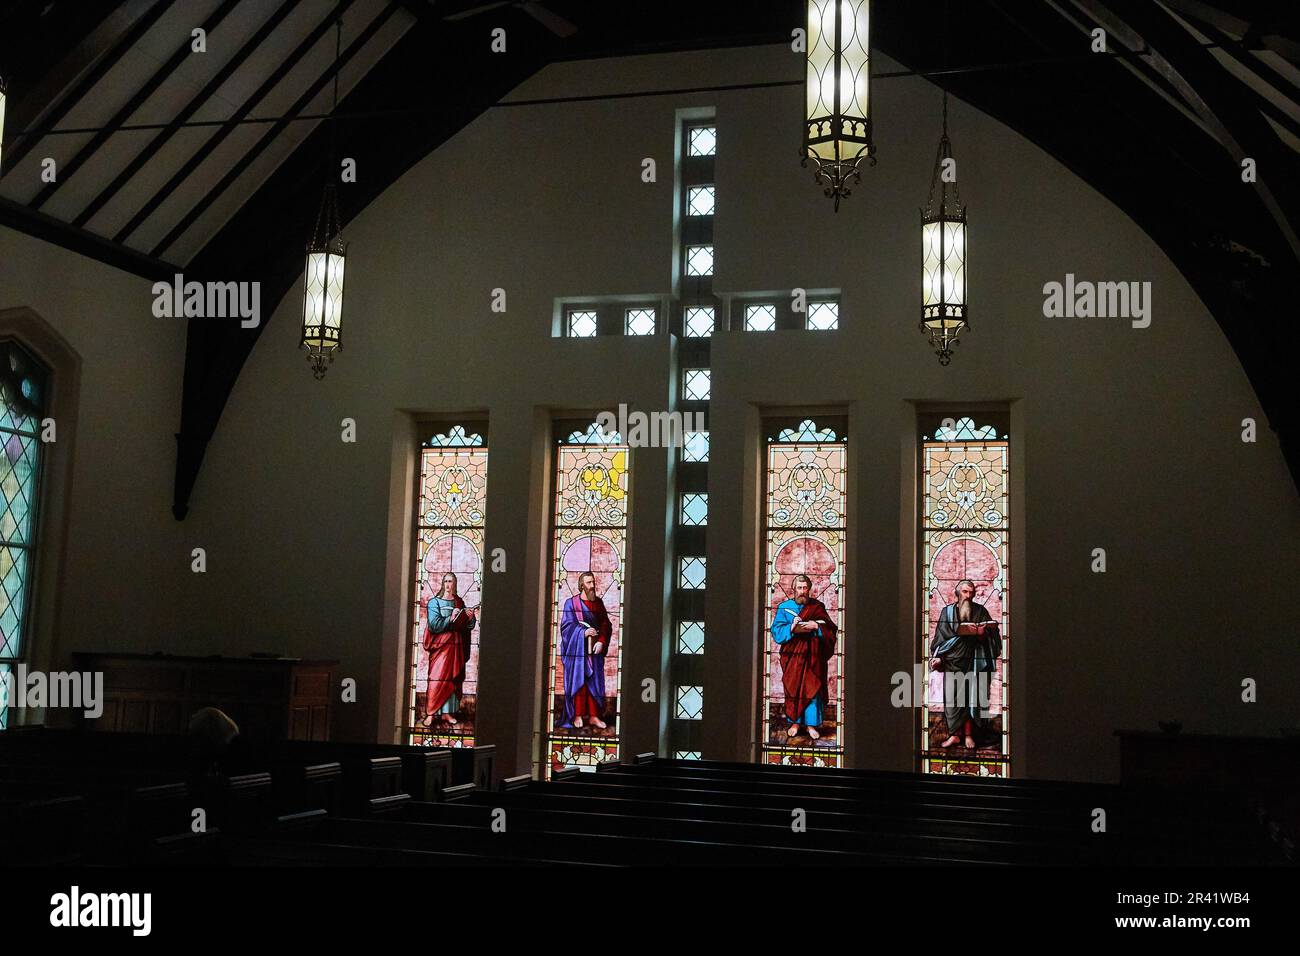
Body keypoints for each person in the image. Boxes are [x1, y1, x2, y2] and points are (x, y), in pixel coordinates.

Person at [929, 579, 1001, 749]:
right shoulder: (946, 613)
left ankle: (968, 735)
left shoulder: (980, 612)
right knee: (954, 700)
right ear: (958, 593)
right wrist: (939, 657)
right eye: (965, 592)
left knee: (971, 699)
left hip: (975, 663)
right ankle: (954, 735)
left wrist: (984, 634)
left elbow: (993, 637)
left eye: (971, 592)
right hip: (952, 663)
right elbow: (939, 641)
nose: (968, 596)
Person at [770, 574, 838, 740]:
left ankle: (811, 725)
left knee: (813, 688)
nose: (802, 591)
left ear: (809, 589)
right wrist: (792, 627)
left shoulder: (818, 607)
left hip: (813, 657)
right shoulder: (784, 607)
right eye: (799, 588)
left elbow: (830, 629)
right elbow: (776, 631)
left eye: (804, 588)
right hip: (792, 657)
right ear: (794, 590)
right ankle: (794, 722)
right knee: (793, 689)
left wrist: (816, 626)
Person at [558, 571, 612, 730]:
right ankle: (577, 715)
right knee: (579, 682)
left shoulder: (598, 603)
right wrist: (582, 633)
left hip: (594, 652)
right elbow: (566, 627)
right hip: (577, 653)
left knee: (594, 683)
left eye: (593, 582)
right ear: (582, 585)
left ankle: (594, 716)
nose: (592, 585)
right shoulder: (571, 603)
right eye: (589, 582)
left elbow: (605, 625)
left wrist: (601, 641)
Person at [422, 572, 476, 728]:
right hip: (440, 647)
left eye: (451, 581)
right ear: (442, 583)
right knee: (436, 678)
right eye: (445, 581)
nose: (448, 584)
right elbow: (434, 625)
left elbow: (466, 625)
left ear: (455, 584)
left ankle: (446, 712)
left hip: (456, 648)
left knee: (453, 679)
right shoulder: (434, 603)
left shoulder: (459, 602)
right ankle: (431, 713)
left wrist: (470, 618)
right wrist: (449, 619)